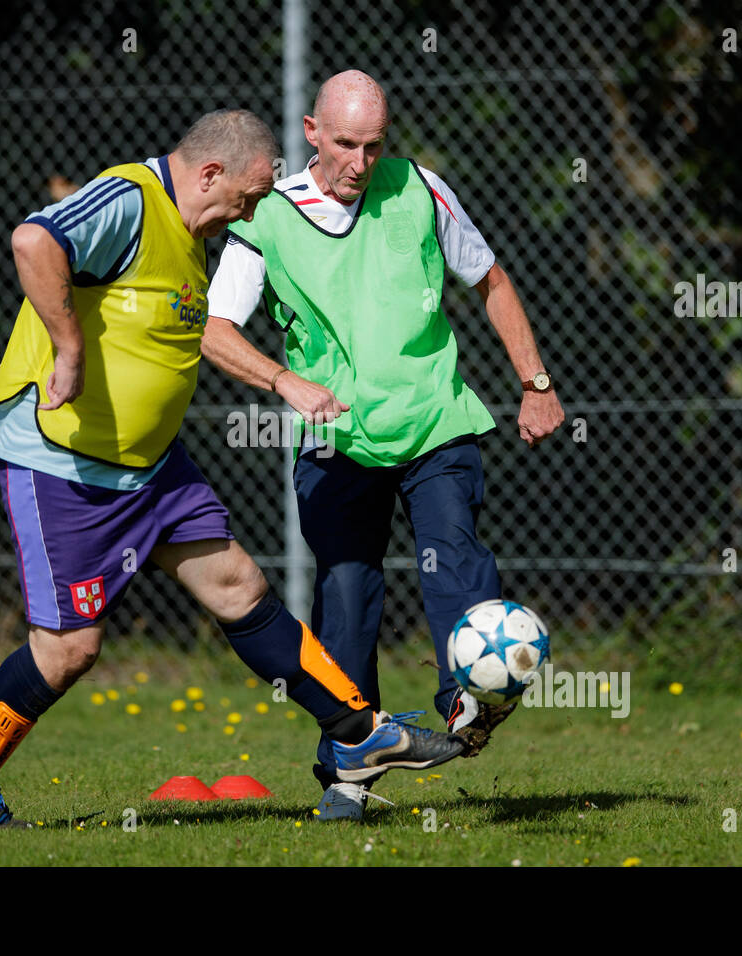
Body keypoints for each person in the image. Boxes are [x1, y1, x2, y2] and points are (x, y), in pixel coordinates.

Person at [0, 109, 465, 831]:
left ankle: (359, 734)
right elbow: (35, 243)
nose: (248, 214)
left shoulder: (189, 235)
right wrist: (64, 353)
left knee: (240, 584)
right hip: (63, 464)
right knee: (70, 649)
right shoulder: (130, 199)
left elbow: (116, 312)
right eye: (246, 199)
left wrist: (28, 360)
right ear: (210, 173)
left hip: (152, 469)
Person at [199, 72, 566, 820]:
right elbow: (214, 330)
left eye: (373, 146)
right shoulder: (265, 214)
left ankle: (471, 697)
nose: (360, 163)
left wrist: (535, 380)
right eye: (343, 144)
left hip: (435, 420)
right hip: (337, 437)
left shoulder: (421, 189)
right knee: (346, 594)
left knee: (454, 554)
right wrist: (283, 383)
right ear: (310, 132)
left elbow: (490, 278)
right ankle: (349, 763)